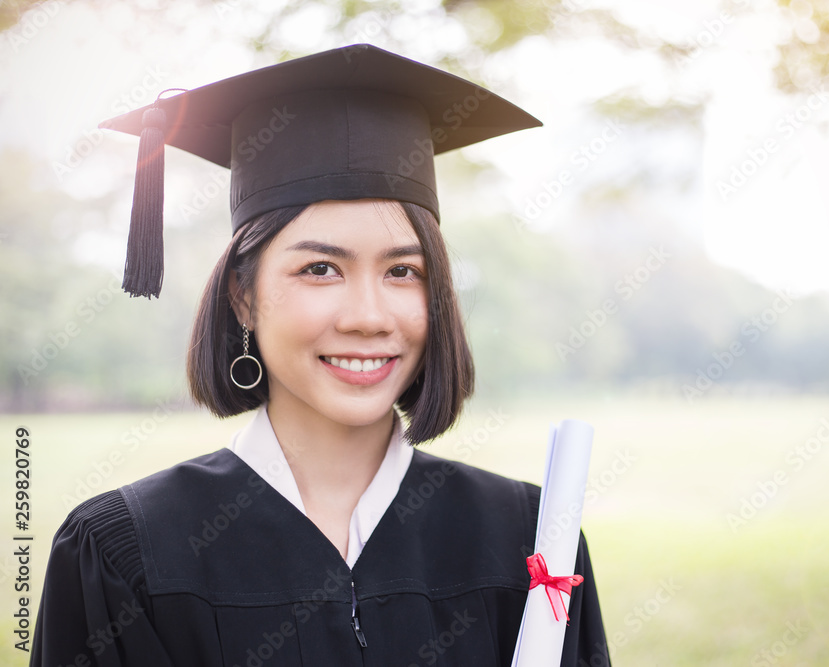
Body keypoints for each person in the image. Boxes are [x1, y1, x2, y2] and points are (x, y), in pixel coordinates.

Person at [30, 44, 609, 666]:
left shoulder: (530, 544)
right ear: (243, 298)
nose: (368, 317)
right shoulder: (127, 554)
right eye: (321, 268)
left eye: (403, 271)